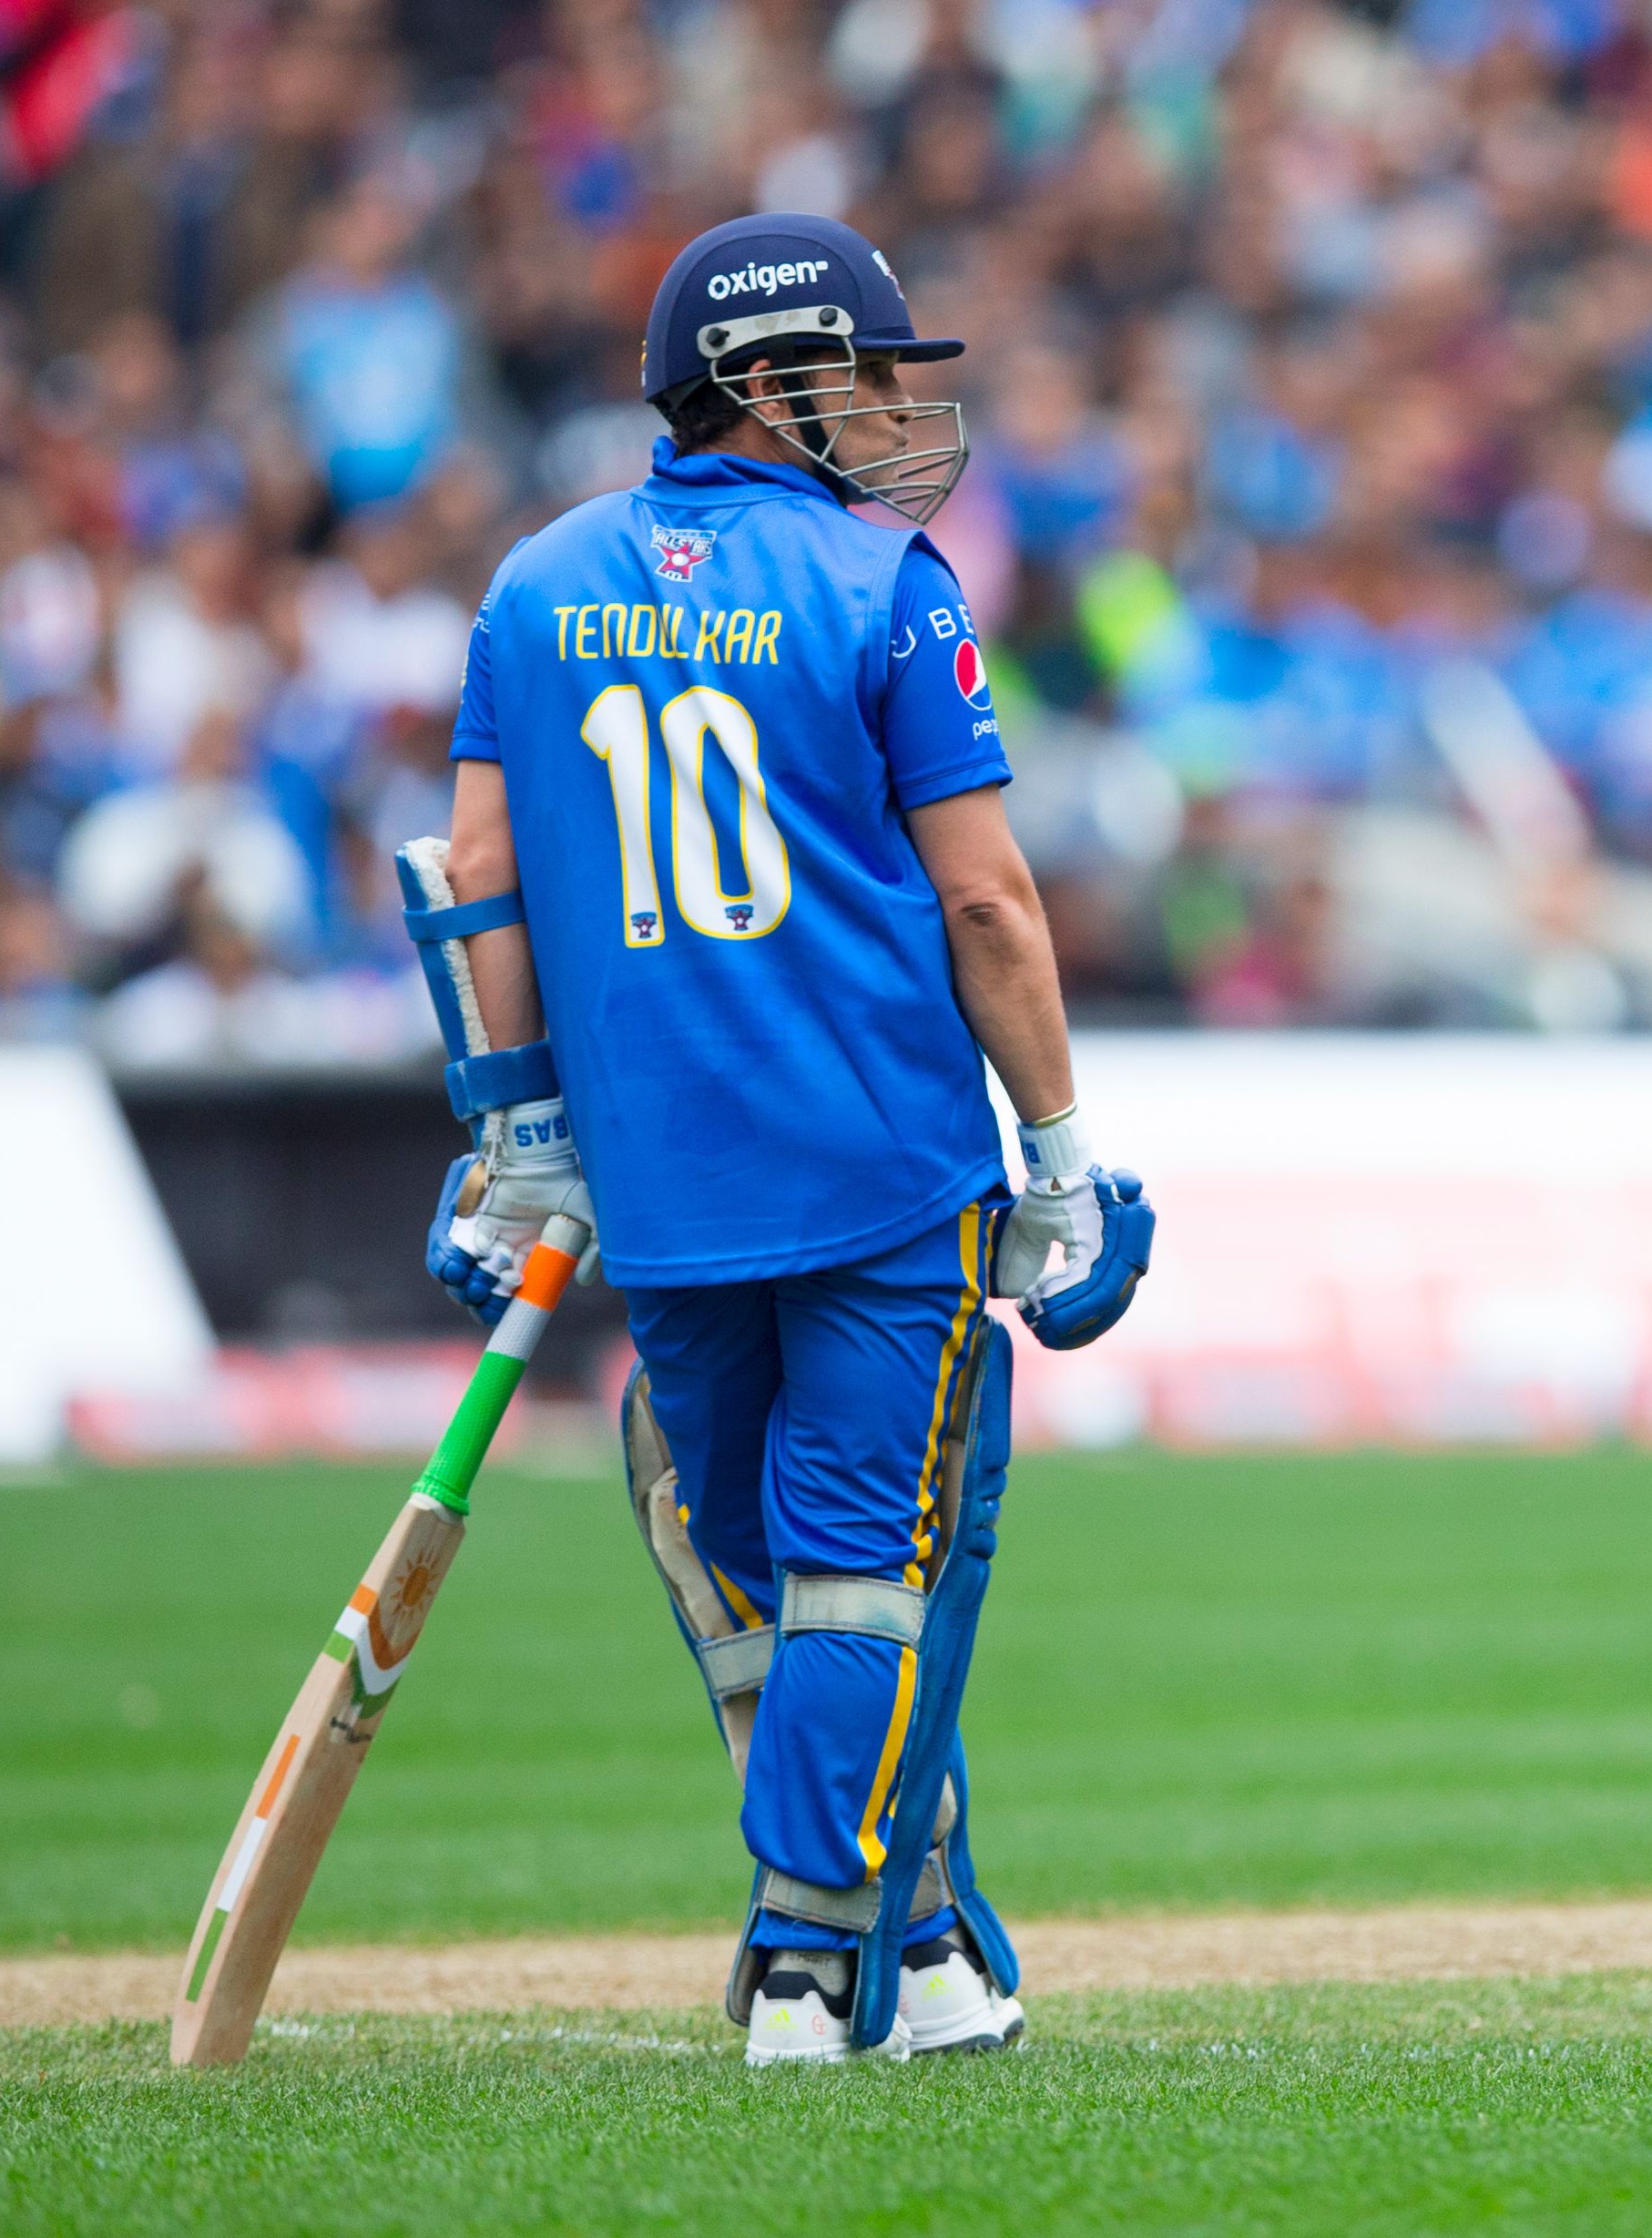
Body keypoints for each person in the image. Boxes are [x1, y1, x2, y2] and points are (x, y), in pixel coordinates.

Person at [422, 213, 1154, 2067]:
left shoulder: (530, 584)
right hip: (877, 1168)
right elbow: (987, 905)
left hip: (661, 1182)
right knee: (856, 1572)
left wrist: (515, 1135)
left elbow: (475, 882)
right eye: (867, 370)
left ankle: (921, 1952)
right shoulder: (885, 580)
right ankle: (812, 1960)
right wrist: (1058, 1151)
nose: (901, 407)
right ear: (765, 384)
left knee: (768, 1577)